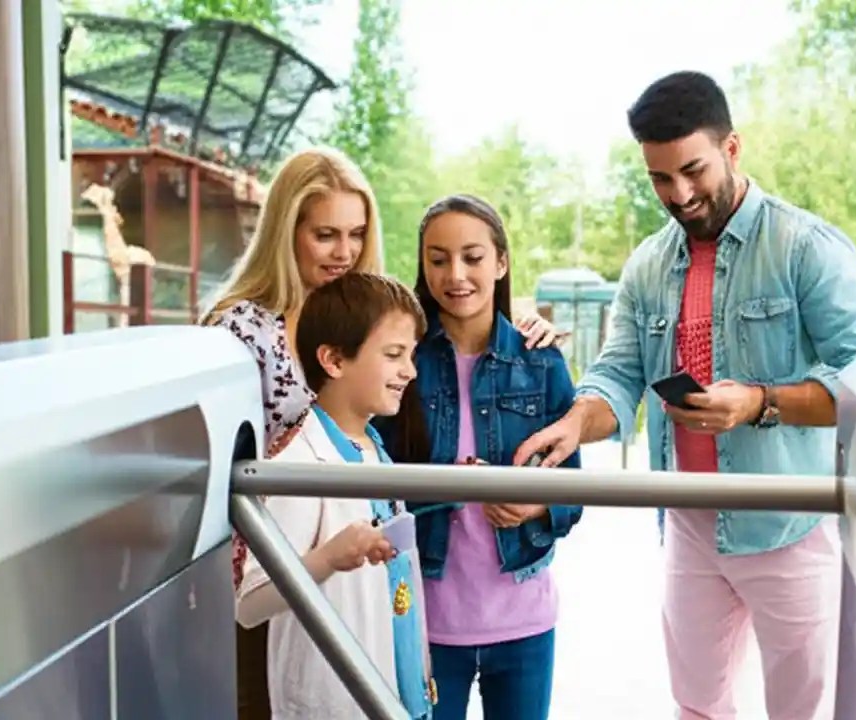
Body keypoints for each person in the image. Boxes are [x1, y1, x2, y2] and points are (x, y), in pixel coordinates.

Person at [514, 71, 856, 720]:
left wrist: (759, 402)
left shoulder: (806, 248)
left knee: (806, 710)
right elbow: (617, 374)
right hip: (689, 525)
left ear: (732, 148)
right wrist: (576, 422)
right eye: (661, 178)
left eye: (693, 170)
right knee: (697, 707)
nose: (679, 194)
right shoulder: (646, 266)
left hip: (789, 528)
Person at [200, 147, 562, 719]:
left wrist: (515, 325)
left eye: (356, 233)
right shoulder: (243, 329)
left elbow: (436, 330)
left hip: (367, 578)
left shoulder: (372, 319)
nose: (344, 251)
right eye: (325, 234)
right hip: (280, 554)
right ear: (286, 233)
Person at [378, 195, 583, 720]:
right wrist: (446, 485)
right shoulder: (402, 362)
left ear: (501, 262)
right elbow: (374, 481)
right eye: (438, 258)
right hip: (425, 617)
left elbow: (574, 492)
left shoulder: (542, 363)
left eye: (472, 256)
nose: (456, 274)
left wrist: (533, 505)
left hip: (524, 620)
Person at [234, 271, 434, 719]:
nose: (410, 371)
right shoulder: (301, 463)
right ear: (334, 360)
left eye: (411, 355)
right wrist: (329, 557)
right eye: (394, 355)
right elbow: (250, 604)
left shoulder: (373, 449)